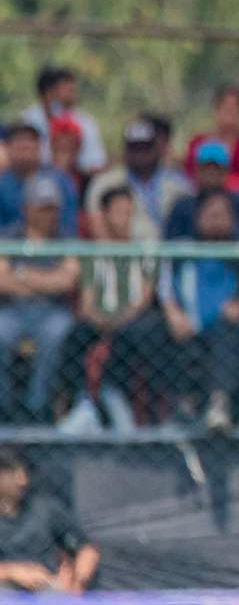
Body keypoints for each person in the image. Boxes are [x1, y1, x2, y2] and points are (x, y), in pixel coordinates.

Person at [158, 190, 239, 433]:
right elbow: (165, 286)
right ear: (198, 217)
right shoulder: (182, 249)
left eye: (222, 215)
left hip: (227, 327)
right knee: (150, 330)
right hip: (186, 323)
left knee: (232, 331)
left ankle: (221, 404)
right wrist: (173, 314)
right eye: (211, 214)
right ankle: (182, 407)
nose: (216, 220)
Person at [56, 186, 163, 433]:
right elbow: (87, 304)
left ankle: (116, 401)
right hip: (101, 320)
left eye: (128, 212)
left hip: (133, 321)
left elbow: (144, 299)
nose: (124, 218)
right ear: (104, 215)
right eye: (118, 212)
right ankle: (82, 404)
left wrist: (121, 320)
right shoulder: (94, 255)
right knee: (76, 334)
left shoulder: (144, 252)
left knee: (135, 334)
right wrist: (104, 320)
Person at [0, 177, 82, 424]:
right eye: (42, 207)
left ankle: (37, 405)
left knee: (55, 335)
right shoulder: (10, 236)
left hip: (52, 311)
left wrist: (23, 276)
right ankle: (4, 405)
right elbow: (2, 280)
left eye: (52, 208)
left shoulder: (65, 238)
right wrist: (46, 281)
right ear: (27, 208)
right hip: (14, 310)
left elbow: (68, 280)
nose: (48, 214)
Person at [0, 447, 100, 592]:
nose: (23, 480)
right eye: (13, 473)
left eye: (24, 472)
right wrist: (11, 572)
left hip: (47, 588)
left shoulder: (45, 509)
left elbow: (87, 549)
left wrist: (78, 582)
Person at [86, 118, 193, 241]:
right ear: (125, 150)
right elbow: (97, 226)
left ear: (156, 148)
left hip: (170, 254)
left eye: (145, 147)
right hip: (125, 254)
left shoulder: (180, 185)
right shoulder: (105, 183)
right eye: (134, 147)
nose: (140, 153)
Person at [183, 83, 239, 200]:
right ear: (216, 109)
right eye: (225, 108)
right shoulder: (199, 144)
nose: (230, 114)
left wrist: (238, 184)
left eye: (235, 109)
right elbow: (189, 179)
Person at [165, 141, 239, 240]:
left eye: (217, 169)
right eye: (206, 168)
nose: (211, 173)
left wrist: (230, 230)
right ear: (197, 171)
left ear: (227, 171)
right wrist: (200, 231)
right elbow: (171, 245)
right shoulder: (182, 207)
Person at [0, 123, 80, 237]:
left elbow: (70, 226)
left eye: (29, 147)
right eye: (20, 148)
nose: (25, 153)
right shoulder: (2, 184)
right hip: (10, 248)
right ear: (8, 148)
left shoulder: (61, 180)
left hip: (57, 249)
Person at [22, 67, 106, 173]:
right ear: (48, 93)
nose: (72, 96)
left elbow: (95, 162)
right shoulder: (28, 120)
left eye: (73, 90)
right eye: (67, 91)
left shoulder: (85, 123)